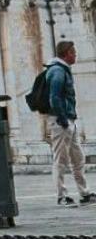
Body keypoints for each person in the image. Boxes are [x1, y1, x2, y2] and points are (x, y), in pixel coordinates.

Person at [47, 41, 95, 207]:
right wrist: (62, 119)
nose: (75, 55)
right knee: (60, 159)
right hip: (61, 121)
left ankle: (85, 193)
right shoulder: (58, 71)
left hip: (69, 120)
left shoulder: (63, 70)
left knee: (78, 157)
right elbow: (54, 97)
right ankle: (62, 196)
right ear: (67, 53)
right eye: (73, 52)